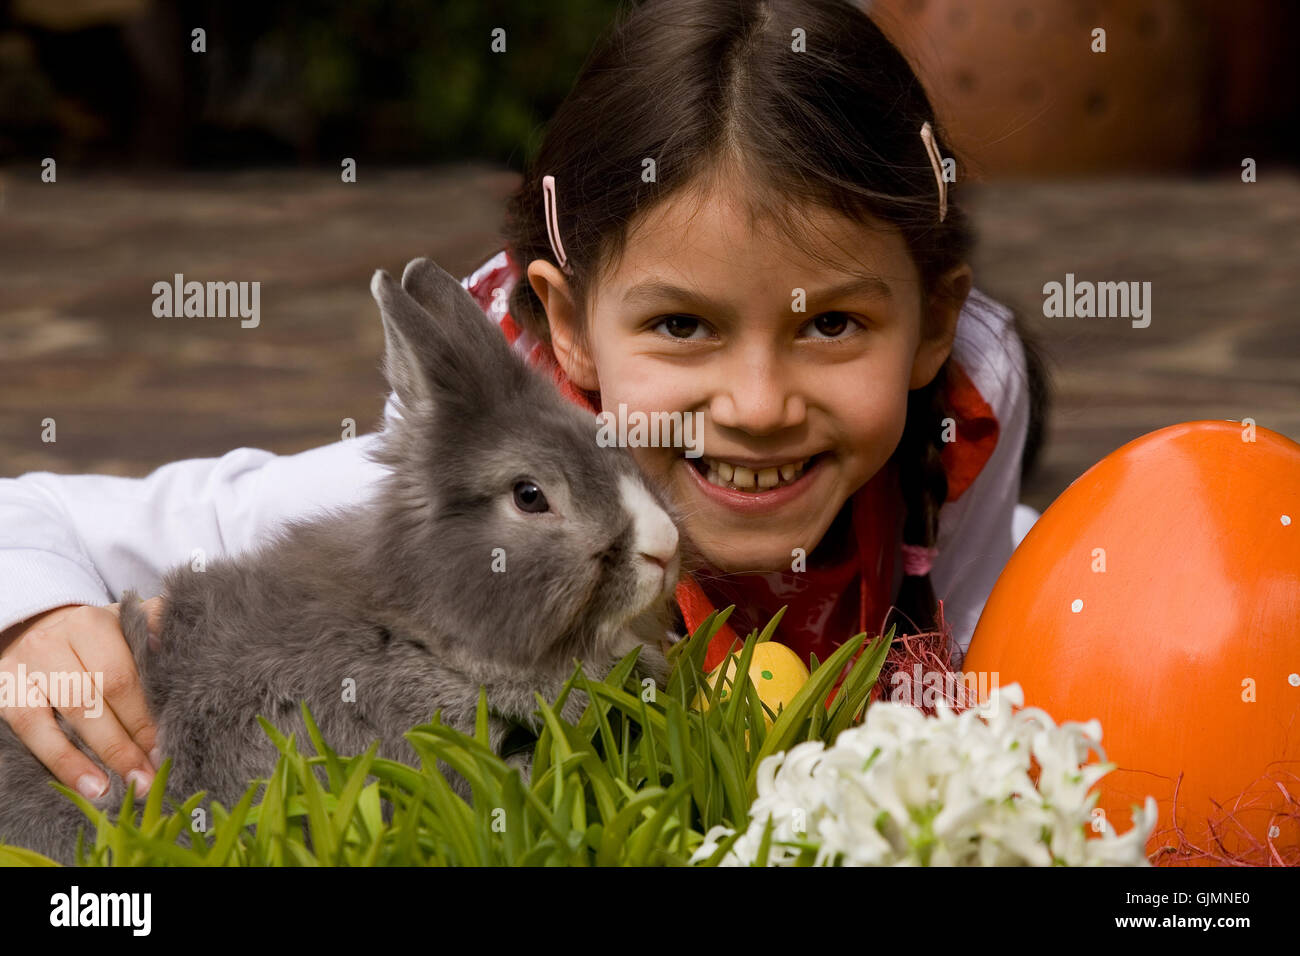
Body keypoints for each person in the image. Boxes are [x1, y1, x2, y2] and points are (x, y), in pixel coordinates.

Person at [0, 0, 1049, 806]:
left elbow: (970, 624)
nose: (759, 403)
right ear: (566, 328)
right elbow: (29, 513)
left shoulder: (948, 425)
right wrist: (38, 619)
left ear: (930, 325)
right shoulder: (458, 504)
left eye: (831, 325)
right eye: (682, 326)